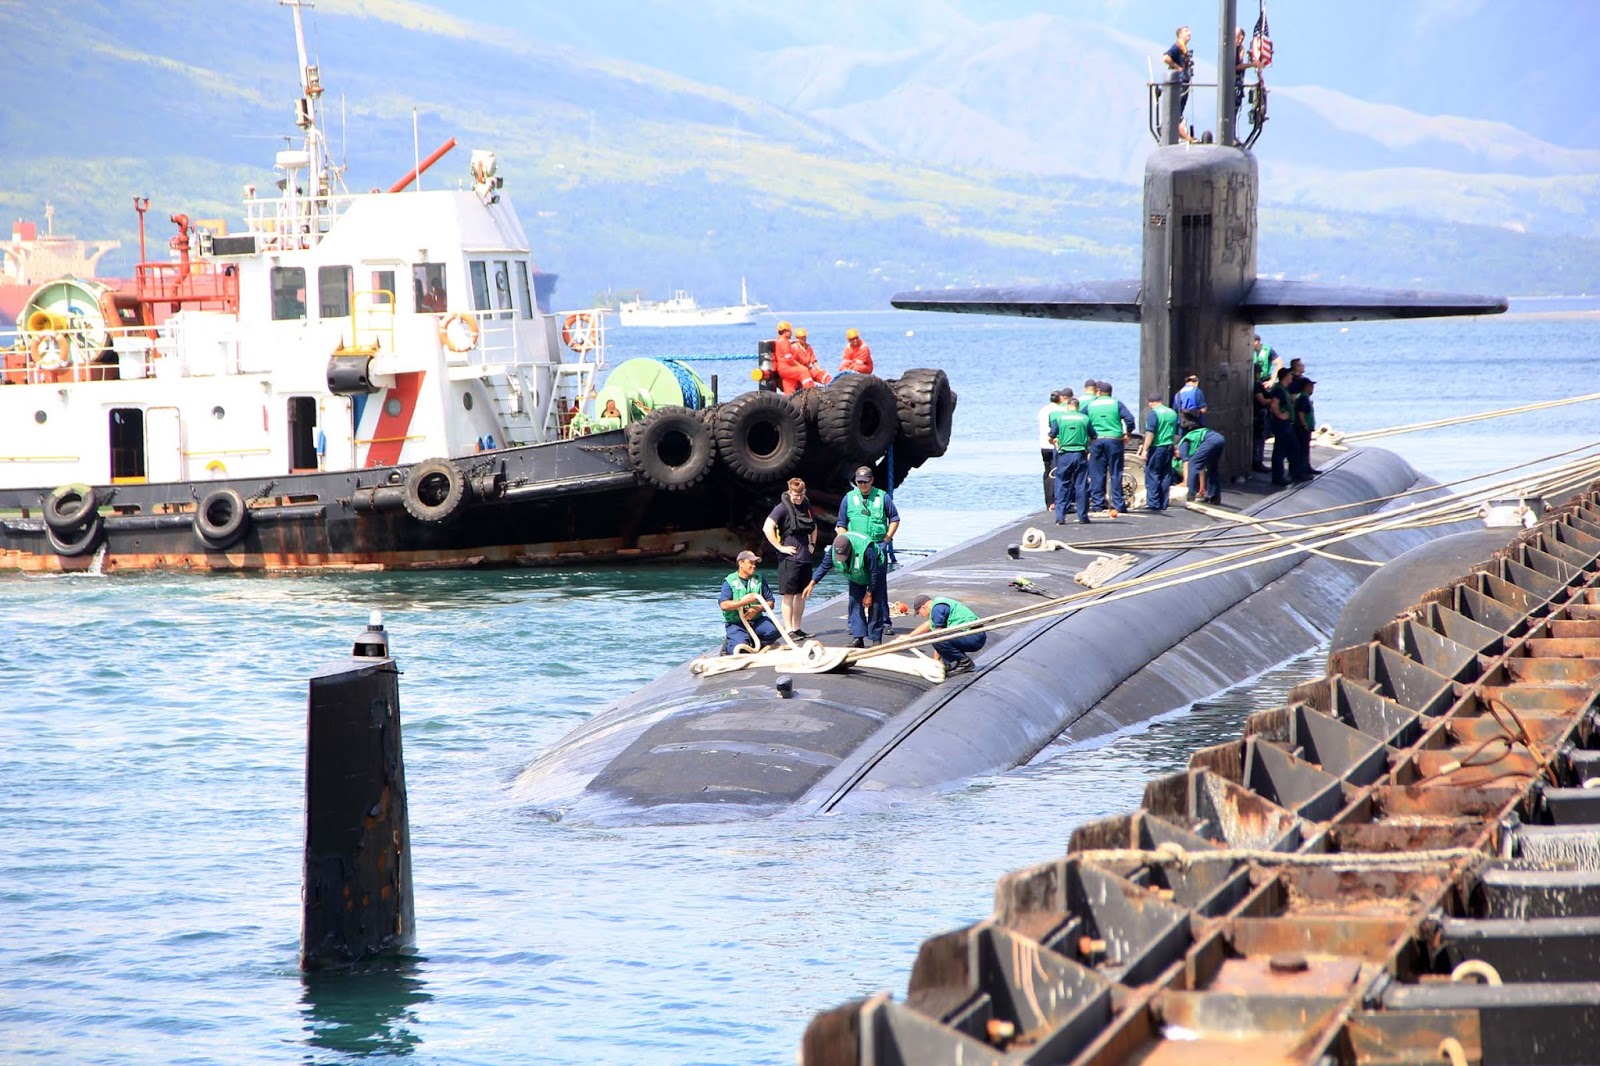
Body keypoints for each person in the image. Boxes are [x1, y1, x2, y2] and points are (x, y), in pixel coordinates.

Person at [763, 477, 821, 638]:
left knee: (802, 595)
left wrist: (812, 544)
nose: (799, 498)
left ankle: (797, 628)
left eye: (801, 495)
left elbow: (813, 527)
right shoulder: (781, 508)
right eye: (796, 495)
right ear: (789, 492)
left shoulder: (806, 507)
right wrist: (780, 547)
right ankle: (788, 630)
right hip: (789, 560)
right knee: (788, 595)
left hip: (805, 558)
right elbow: (767, 527)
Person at [807, 532, 888, 648]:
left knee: (874, 605)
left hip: (875, 570)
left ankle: (876, 639)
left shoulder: (867, 550)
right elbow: (825, 565)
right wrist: (812, 582)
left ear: (850, 549)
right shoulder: (834, 549)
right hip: (855, 574)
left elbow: (874, 573)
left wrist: (869, 593)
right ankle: (858, 638)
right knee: (854, 602)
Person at [1083, 381, 1135, 517]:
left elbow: (1083, 419)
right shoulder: (1116, 403)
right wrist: (1127, 433)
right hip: (1114, 440)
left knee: (1097, 473)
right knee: (1116, 472)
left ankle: (1098, 504)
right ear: (1111, 392)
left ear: (1099, 392)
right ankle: (1118, 503)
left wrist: (1089, 436)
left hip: (1097, 440)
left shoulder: (1091, 404)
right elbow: (1130, 419)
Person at [719, 549, 780, 655]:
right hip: (736, 623)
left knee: (774, 631)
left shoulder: (759, 579)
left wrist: (757, 609)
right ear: (741, 563)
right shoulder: (729, 581)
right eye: (750, 563)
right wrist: (744, 602)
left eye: (755, 563)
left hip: (757, 621)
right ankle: (730, 646)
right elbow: (724, 605)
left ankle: (757, 645)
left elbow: (771, 602)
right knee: (739, 650)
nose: (754, 566)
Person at [908, 593, 985, 675]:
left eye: (919, 612)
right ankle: (949, 665)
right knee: (937, 637)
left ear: (923, 607)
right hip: (973, 635)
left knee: (936, 637)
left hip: (973, 636)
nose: (921, 615)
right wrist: (936, 662)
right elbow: (932, 629)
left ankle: (964, 662)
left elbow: (938, 636)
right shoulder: (939, 605)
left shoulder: (937, 609)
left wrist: (935, 661)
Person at [1048, 396, 1094, 525]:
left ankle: (1060, 517)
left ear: (1068, 406)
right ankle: (1083, 516)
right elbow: (1093, 436)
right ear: (1078, 407)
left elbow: (1050, 436)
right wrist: (1087, 446)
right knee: (1081, 485)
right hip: (1080, 454)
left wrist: (1056, 442)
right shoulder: (1085, 419)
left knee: (1062, 484)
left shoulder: (1060, 418)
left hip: (1064, 455)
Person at [1140, 394, 1179, 511]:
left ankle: (1153, 503)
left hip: (1157, 447)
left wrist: (1145, 450)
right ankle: (1163, 502)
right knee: (1166, 475)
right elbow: (1175, 431)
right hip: (1169, 447)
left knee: (1152, 474)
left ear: (1151, 402)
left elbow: (1150, 432)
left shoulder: (1154, 413)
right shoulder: (1172, 413)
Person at [1176, 415, 1224, 505]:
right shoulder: (1196, 434)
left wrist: (1186, 483)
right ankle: (1214, 497)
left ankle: (1190, 494)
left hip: (1210, 441)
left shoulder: (1183, 443)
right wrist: (1202, 488)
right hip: (1219, 438)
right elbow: (1201, 468)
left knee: (1193, 464)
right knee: (1212, 467)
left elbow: (1187, 464)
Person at [1161, 25, 1196, 143]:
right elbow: (1165, 57)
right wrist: (1177, 67)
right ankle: (1182, 134)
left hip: (1184, 83)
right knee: (1176, 110)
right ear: (1180, 34)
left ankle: (1182, 133)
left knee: (1180, 110)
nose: (1189, 33)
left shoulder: (1184, 48)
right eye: (1186, 31)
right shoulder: (1177, 46)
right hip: (1179, 84)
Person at [1267, 366, 1296, 486]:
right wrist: (1281, 415)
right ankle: (1278, 477)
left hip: (1286, 424)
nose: (1292, 377)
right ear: (1285, 377)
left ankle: (1286, 474)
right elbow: (1274, 405)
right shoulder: (1279, 390)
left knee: (1286, 449)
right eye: (1290, 375)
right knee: (1280, 450)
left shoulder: (1284, 389)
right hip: (1281, 424)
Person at [1037, 390, 1062, 510]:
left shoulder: (1043, 410)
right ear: (1060, 399)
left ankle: (1048, 501)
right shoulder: (1059, 410)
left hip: (1043, 445)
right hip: (1053, 445)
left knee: (1047, 472)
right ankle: (1055, 501)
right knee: (1055, 472)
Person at [1292, 378, 1318, 482]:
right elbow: (1300, 413)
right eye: (1311, 386)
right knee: (1302, 451)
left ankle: (1306, 469)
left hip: (1305, 427)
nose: (1313, 389)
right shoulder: (1303, 398)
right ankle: (1301, 473)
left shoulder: (1305, 397)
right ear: (1306, 387)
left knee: (1305, 450)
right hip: (1303, 428)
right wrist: (1305, 424)